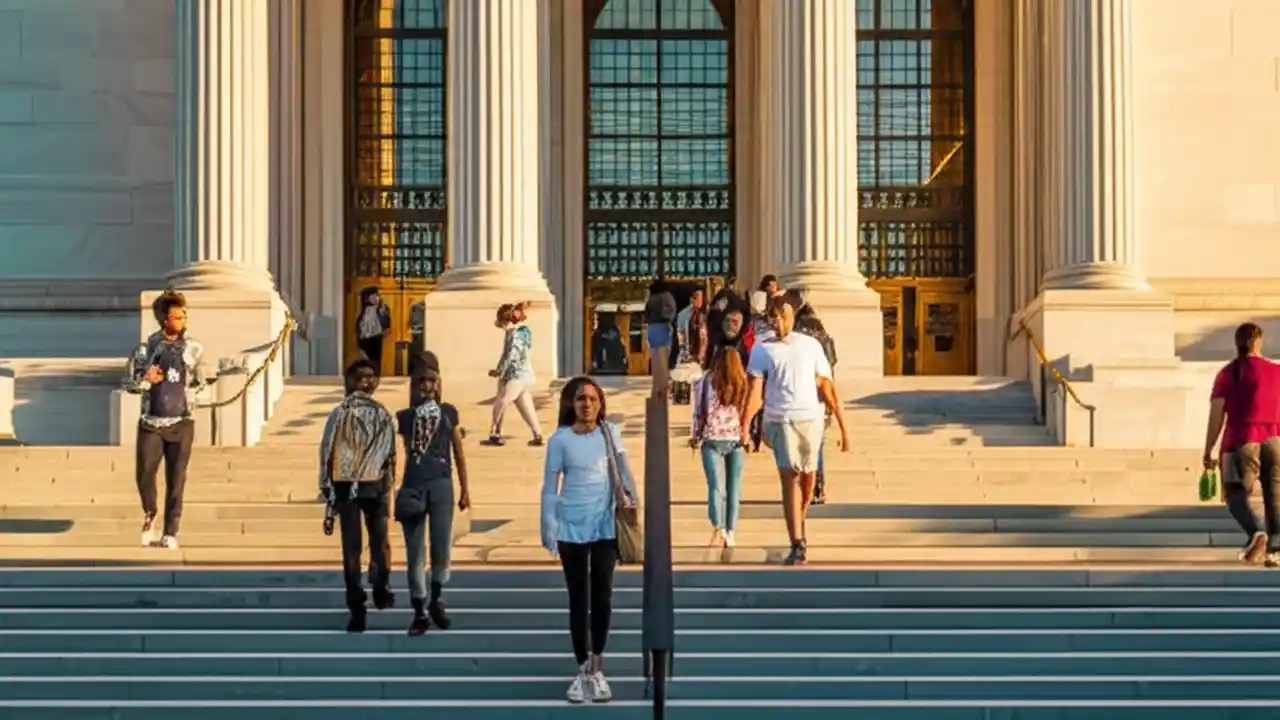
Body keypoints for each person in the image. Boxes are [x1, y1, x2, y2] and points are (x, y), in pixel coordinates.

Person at [541, 376, 637, 704]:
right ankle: (583, 668)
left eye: (593, 399)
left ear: (600, 404)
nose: (587, 405)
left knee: (603, 596)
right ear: (571, 404)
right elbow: (549, 486)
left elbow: (625, 472)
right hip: (571, 528)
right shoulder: (560, 440)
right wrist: (548, 527)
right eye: (581, 399)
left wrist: (633, 502)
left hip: (605, 526)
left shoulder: (610, 433)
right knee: (578, 599)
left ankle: (598, 666)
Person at [741, 297, 849, 565]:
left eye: (783, 317)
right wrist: (744, 426)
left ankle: (798, 522)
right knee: (790, 476)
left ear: (792, 317)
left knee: (808, 479)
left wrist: (844, 428)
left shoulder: (810, 345)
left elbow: (827, 387)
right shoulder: (762, 350)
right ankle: (797, 541)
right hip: (781, 419)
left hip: (810, 419)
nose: (778, 323)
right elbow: (755, 393)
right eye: (773, 318)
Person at [124, 290, 214, 549]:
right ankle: (150, 512)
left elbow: (204, 378)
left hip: (182, 423)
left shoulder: (194, 348)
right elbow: (129, 383)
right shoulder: (145, 350)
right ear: (165, 319)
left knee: (176, 479)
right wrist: (144, 381)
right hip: (151, 423)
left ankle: (170, 532)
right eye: (178, 316)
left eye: (185, 315)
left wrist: (199, 384)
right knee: (144, 475)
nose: (183, 320)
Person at [318, 359, 398, 632]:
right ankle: (363, 600)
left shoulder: (362, 413)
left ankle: (374, 588)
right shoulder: (345, 413)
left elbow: (391, 454)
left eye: (370, 377)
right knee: (359, 548)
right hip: (355, 486)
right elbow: (327, 450)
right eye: (361, 378)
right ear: (351, 381)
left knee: (369, 545)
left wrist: (327, 489)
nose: (366, 383)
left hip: (362, 485)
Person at [396, 368, 470, 635]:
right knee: (415, 553)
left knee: (441, 547)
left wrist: (465, 489)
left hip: (441, 482)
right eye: (421, 382)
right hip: (414, 482)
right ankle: (419, 610)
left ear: (439, 386)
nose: (427, 387)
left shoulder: (448, 413)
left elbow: (458, 452)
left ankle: (436, 597)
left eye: (432, 382)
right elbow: (402, 453)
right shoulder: (405, 417)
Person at [1203, 322, 1280, 566]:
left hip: (1241, 439)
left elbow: (1217, 415)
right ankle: (1275, 550)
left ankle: (1256, 532)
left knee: (1235, 493)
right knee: (1275, 497)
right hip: (1275, 440)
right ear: (1260, 342)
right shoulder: (1276, 372)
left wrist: (1209, 449)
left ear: (1237, 343)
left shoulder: (1228, 373)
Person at [690, 347, 748, 548]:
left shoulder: (704, 382)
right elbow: (748, 412)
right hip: (736, 439)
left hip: (712, 438)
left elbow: (698, 412)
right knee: (734, 488)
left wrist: (695, 435)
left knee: (716, 486)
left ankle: (719, 525)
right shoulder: (742, 382)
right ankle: (731, 532)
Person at [786, 290, 840, 506]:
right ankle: (818, 488)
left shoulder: (799, 334)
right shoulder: (823, 333)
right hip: (821, 394)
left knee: (800, 446)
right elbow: (832, 362)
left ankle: (804, 486)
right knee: (816, 445)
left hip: (802, 395)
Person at [486, 302, 544, 446]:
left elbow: (512, 354)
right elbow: (506, 354)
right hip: (522, 374)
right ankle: (538, 434)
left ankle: (494, 433)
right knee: (526, 406)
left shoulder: (517, 332)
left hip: (516, 375)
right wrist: (499, 368)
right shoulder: (518, 331)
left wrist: (501, 370)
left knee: (502, 401)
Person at [644, 283, 678, 399]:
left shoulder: (651, 299)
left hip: (652, 328)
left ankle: (656, 385)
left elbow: (646, 314)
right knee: (663, 357)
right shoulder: (667, 297)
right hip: (663, 327)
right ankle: (663, 388)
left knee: (656, 357)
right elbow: (671, 312)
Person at [355, 287, 392, 373]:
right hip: (366, 339)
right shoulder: (365, 312)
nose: (376, 298)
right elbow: (360, 327)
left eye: (377, 296)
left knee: (376, 360)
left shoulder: (382, 310)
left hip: (377, 338)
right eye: (373, 296)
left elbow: (387, 324)